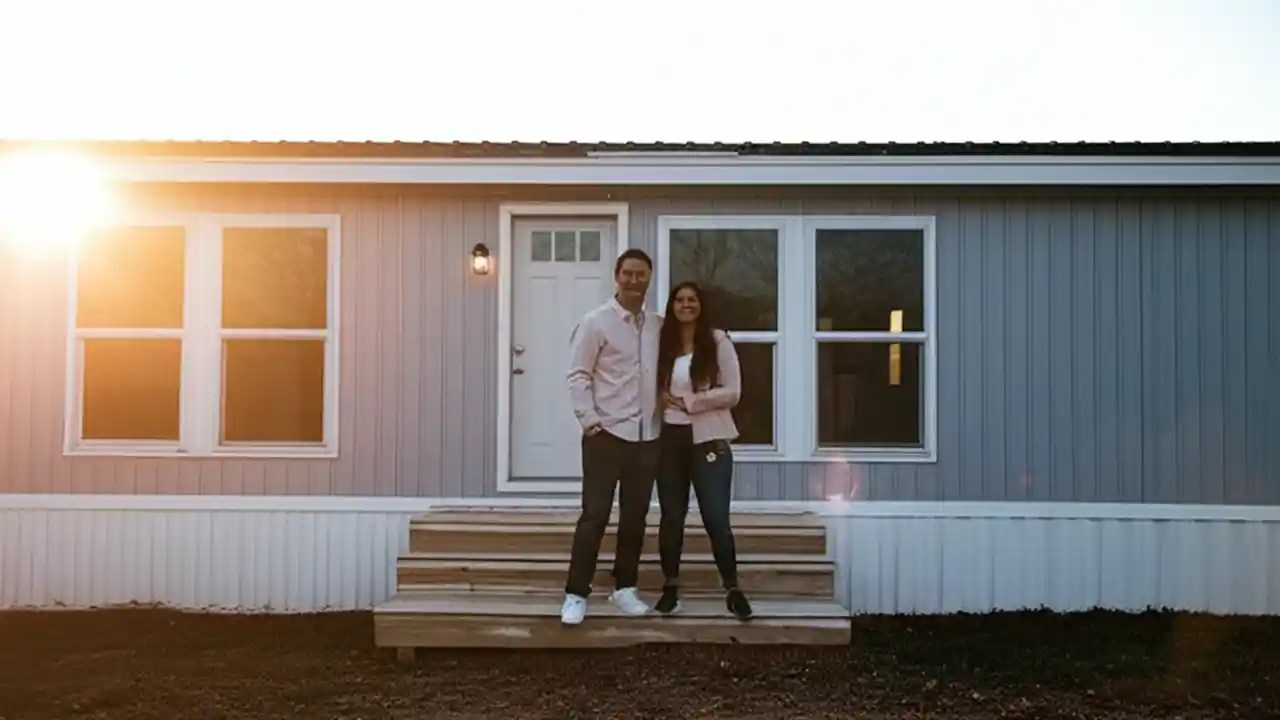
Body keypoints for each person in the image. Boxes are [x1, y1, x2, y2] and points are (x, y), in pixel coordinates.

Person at [560, 248, 662, 625]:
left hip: (647, 437)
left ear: (649, 279)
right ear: (617, 277)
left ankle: (624, 588)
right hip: (606, 434)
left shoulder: (656, 325)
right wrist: (589, 419)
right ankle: (575, 593)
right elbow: (577, 375)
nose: (635, 281)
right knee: (595, 515)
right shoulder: (596, 322)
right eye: (628, 274)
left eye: (642, 275)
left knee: (635, 516)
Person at [653, 281, 753, 621]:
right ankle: (670, 586)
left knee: (716, 517)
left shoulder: (717, 341)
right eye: (679, 300)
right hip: (669, 439)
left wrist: (691, 401)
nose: (685, 305)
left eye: (691, 300)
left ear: (701, 305)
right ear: (672, 306)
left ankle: (732, 587)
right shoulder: (662, 342)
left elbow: (734, 392)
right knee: (671, 517)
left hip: (708, 438)